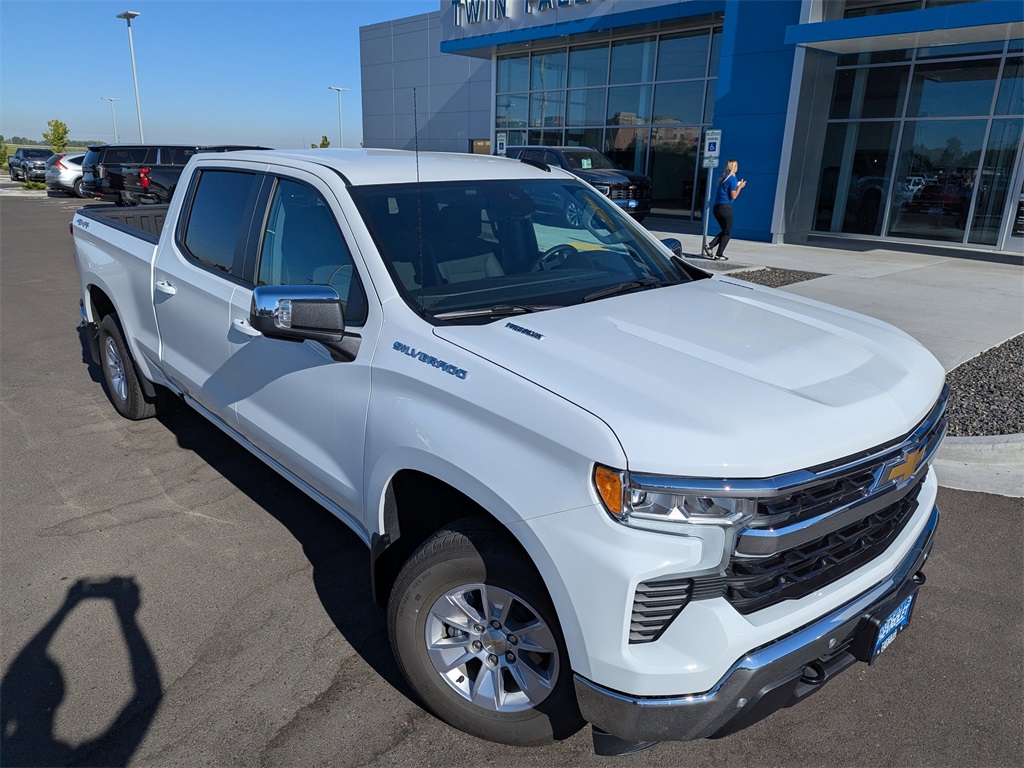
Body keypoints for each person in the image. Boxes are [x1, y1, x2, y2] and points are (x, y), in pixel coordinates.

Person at [704, 159, 747, 260]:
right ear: (732, 167)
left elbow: (725, 189)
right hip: (725, 207)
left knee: (724, 231)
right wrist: (740, 187)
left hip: (717, 207)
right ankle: (718, 253)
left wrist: (736, 185)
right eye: (736, 166)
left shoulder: (723, 177)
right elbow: (733, 196)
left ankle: (710, 246)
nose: (737, 168)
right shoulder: (732, 179)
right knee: (727, 232)